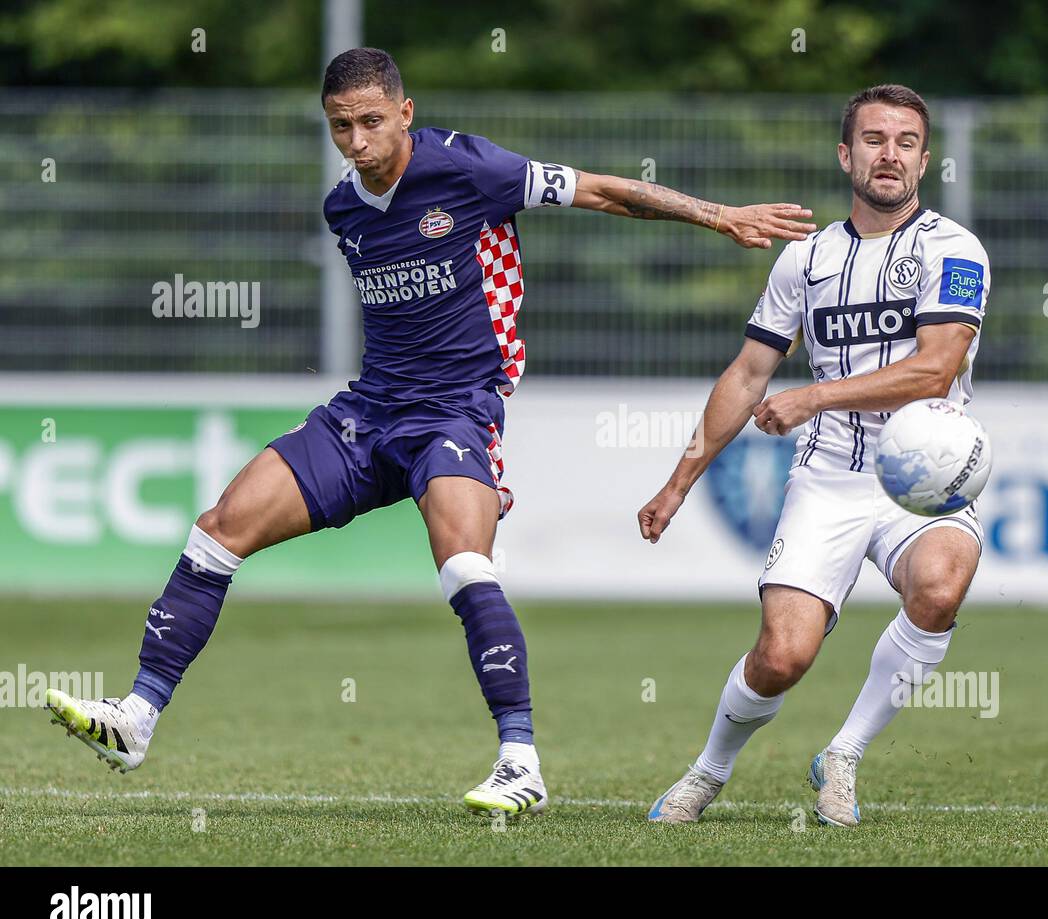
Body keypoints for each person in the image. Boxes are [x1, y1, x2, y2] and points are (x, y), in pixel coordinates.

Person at [44, 46, 815, 818]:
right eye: (341, 126)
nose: (357, 141)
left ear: (405, 114)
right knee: (218, 530)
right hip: (367, 412)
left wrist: (721, 216)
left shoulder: (469, 170)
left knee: (464, 563)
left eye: (372, 122)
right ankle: (137, 717)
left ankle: (521, 761)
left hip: (455, 411)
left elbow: (604, 192)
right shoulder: (342, 209)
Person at [639, 84, 990, 827]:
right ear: (845, 154)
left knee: (940, 585)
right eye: (872, 139)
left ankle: (845, 754)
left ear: (925, 160)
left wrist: (815, 398)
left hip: (922, 483)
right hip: (828, 478)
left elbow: (934, 369)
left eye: (904, 142)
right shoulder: (805, 260)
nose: (888, 154)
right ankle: (709, 771)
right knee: (783, 656)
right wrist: (678, 484)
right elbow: (746, 375)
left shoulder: (954, 250)